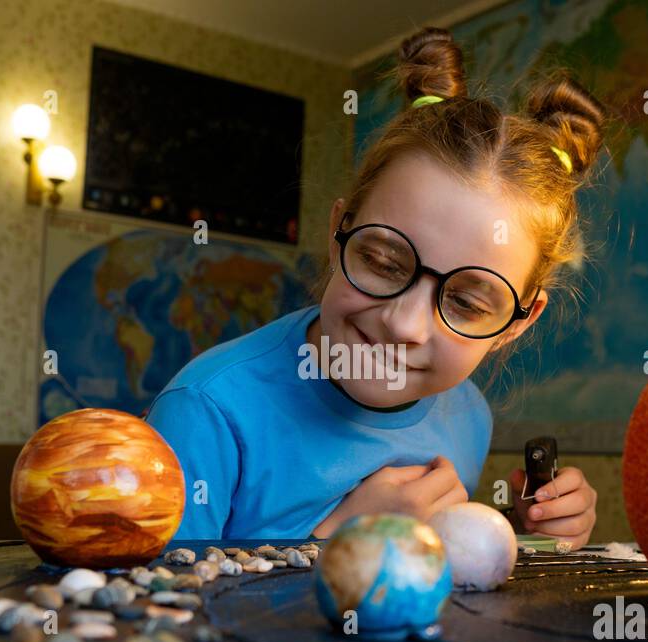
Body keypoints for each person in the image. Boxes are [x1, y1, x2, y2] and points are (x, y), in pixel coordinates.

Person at [147, 26, 603, 544]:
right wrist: (337, 544)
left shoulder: (468, 417)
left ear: (517, 324)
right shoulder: (206, 413)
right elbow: (158, 615)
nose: (403, 324)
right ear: (338, 231)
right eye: (385, 262)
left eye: (467, 302)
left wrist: (520, 535)